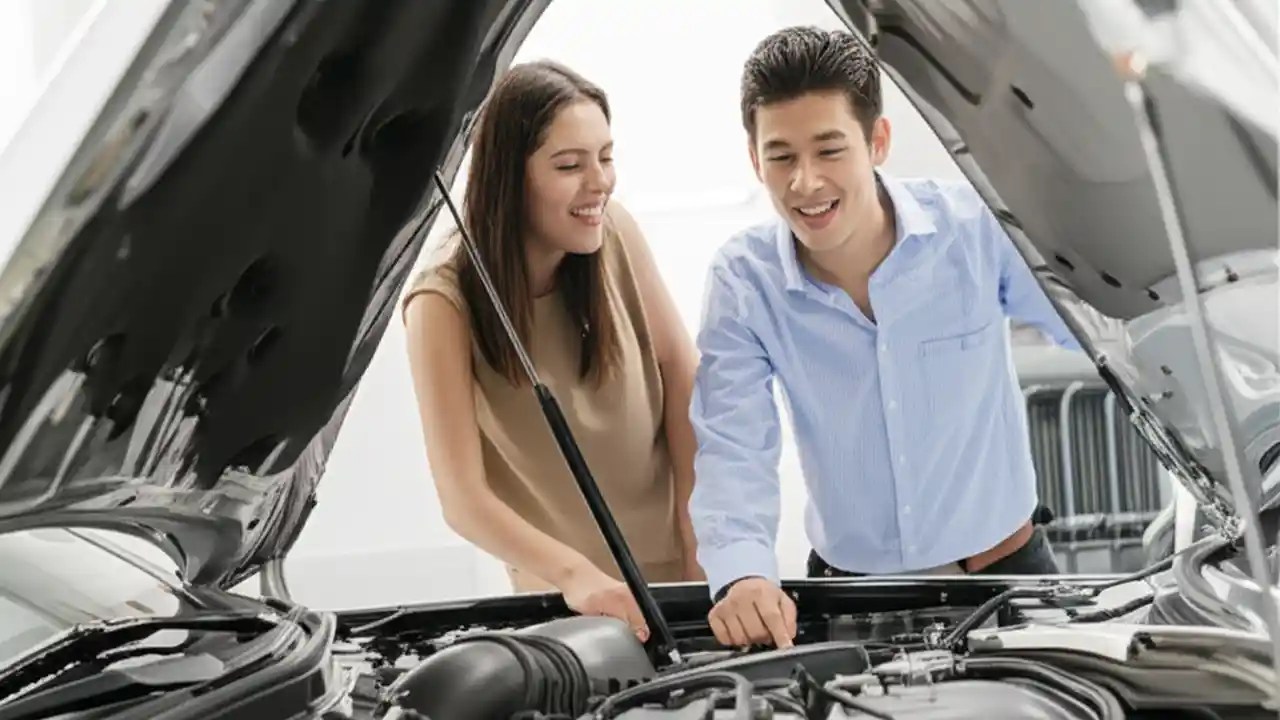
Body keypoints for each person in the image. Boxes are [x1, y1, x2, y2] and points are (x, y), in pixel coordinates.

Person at [688, 26, 1081, 649]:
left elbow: (1099, 334)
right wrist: (740, 572)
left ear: (878, 142)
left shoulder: (975, 232)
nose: (805, 183)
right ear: (754, 158)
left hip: (1009, 581)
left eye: (829, 149)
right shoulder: (743, 279)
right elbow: (734, 445)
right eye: (781, 155)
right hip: (854, 600)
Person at [402, 60, 703, 641]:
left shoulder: (613, 231)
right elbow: (462, 499)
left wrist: (700, 542)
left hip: (682, 579)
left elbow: (682, 374)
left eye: (606, 157)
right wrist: (577, 576)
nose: (600, 183)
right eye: (569, 165)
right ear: (508, 178)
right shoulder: (442, 301)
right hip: (570, 607)